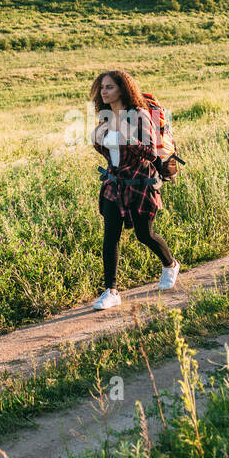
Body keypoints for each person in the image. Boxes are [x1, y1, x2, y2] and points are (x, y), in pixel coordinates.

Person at [89, 70, 179, 310]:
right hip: (113, 183)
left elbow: (150, 152)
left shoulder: (138, 115)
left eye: (109, 87)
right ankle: (111, 291)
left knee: (144, 234)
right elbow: (109, 150)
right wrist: (97, 139)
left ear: (122, 89)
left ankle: (170, 264)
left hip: (139, 183)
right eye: (102, 87)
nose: (104, 92)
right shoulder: (107, 116)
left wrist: (127, 137)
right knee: (110, 237)